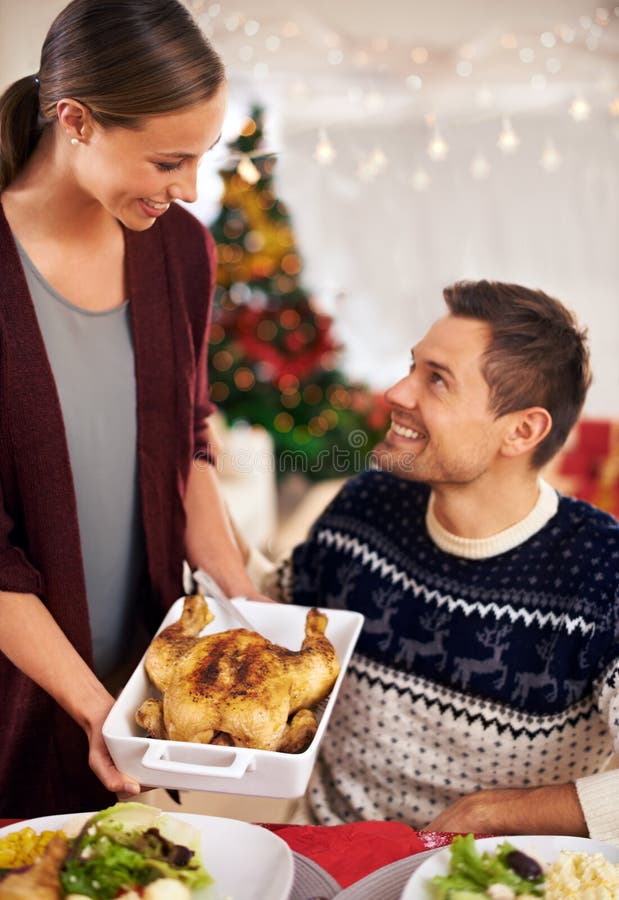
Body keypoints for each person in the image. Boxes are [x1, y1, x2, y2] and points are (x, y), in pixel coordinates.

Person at [0, 0, 266, 818]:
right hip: (26, 702)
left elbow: (185, 439)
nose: (188, 190)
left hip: (135, 686)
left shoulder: (181, 250)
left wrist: (236, 588)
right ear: (75, 120)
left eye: (202, 159)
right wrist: (91, 709)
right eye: (166, 162)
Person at [256, 280, 619, 843]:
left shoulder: (603, 569)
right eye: (412, 367)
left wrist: (493, 815)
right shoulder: (368, 502)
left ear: (522, 430)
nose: (397, 392)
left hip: (490, 877)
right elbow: (265, 615)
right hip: (329, 854)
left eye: (437, 380)